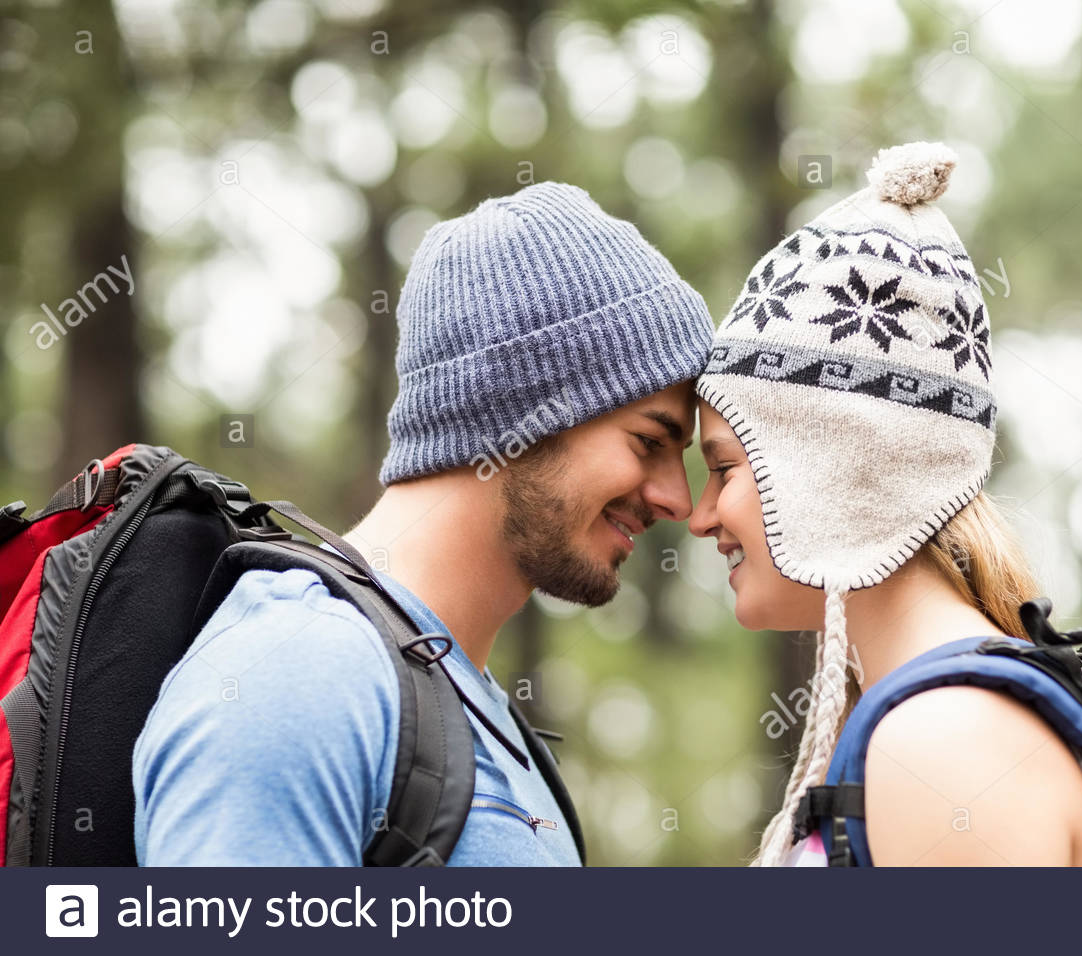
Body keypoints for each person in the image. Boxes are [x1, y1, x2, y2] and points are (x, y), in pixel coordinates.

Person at [133, 181, 715, 865]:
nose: (679, 500)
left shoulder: (475, 710)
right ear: (521, 412)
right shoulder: (302, 675)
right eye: (649, 442)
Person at [689, 143, 1082, 866]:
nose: (698, 517)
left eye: (725, 466)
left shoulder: (947, 743)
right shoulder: (943, 719)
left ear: (831, 464)